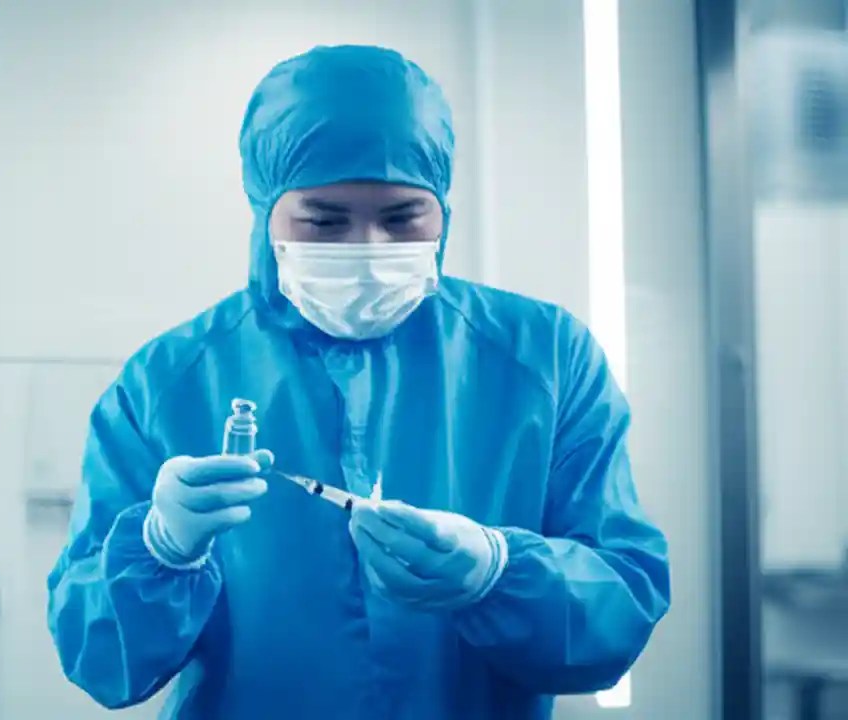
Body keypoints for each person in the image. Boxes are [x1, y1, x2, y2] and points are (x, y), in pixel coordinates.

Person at [46, 44, 670, 719]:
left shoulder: (545, 358)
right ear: (266, 214)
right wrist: (160, 549)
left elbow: (620, 608)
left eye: (403, 218)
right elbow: (100, 661)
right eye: (323, 220)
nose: (367, 247)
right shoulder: (167, 382)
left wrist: (499, 573)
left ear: (443, 212)